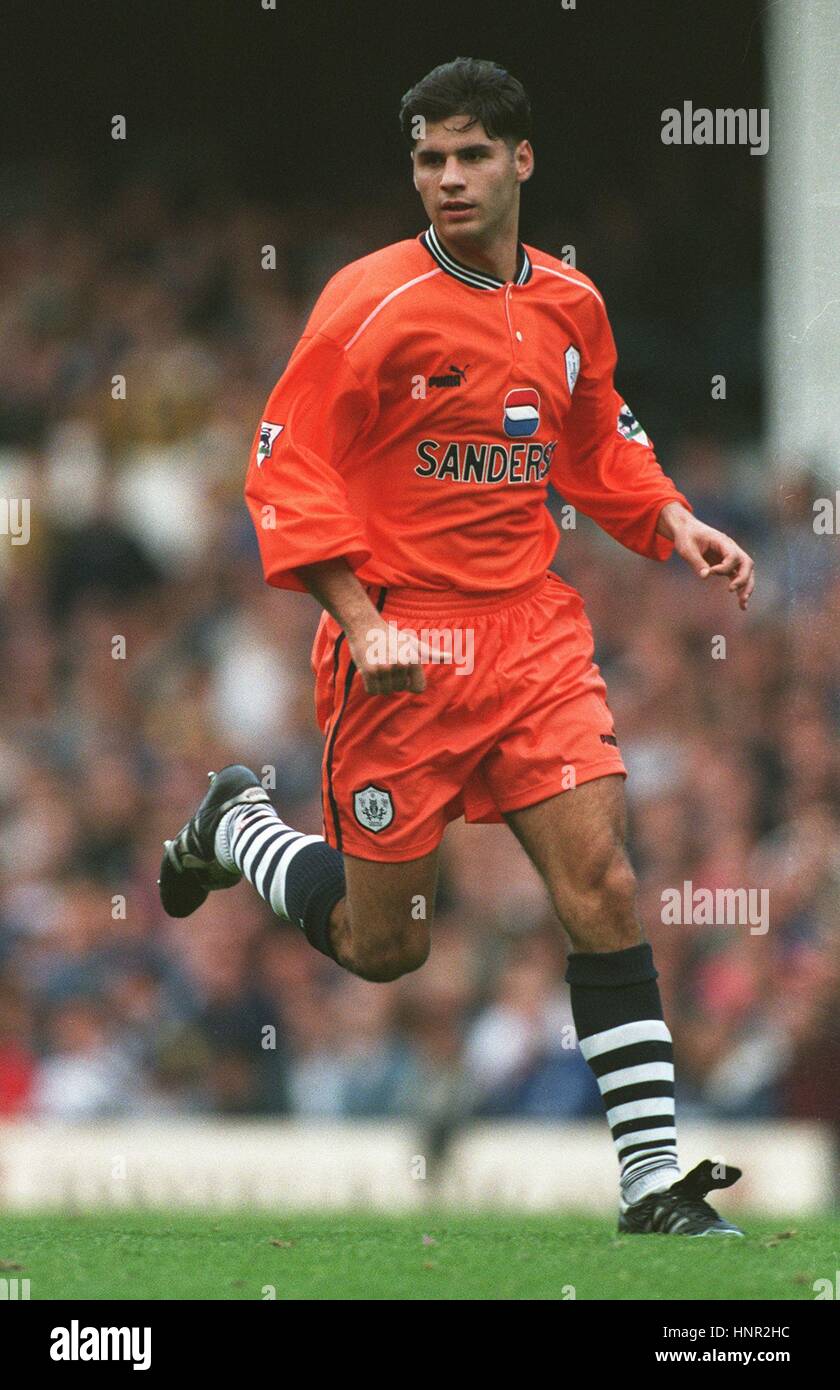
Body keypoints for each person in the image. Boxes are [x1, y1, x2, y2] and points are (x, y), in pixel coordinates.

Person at [159, 57, 754, 1235]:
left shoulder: (571, 304)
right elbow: (285, 465)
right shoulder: (366, 303)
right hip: (403, 641)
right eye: (429, 158)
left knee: (604, 880)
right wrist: (365, 624)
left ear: (522, 161)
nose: (448, 178)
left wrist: (672, 517)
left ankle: (650, 1182)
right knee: (386, 950)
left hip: (532, 631)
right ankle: (239, 823)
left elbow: (599, 435)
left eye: (472, 154)